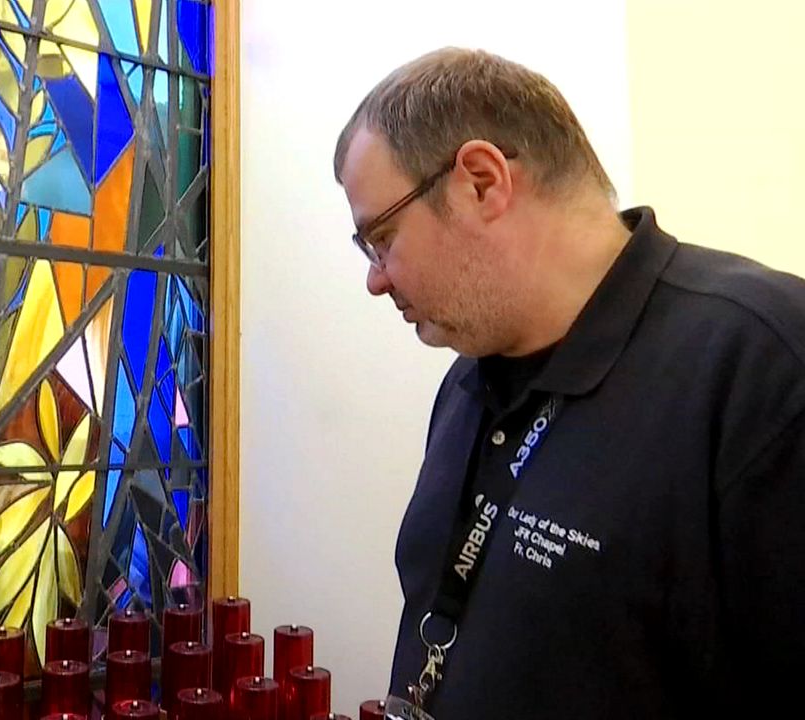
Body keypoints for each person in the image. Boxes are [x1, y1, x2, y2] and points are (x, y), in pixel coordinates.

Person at [333, 47, 805, 719]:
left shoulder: (767, 366)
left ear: (481, 182)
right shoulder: (466, 383)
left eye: (380, 237)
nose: (376, 280)